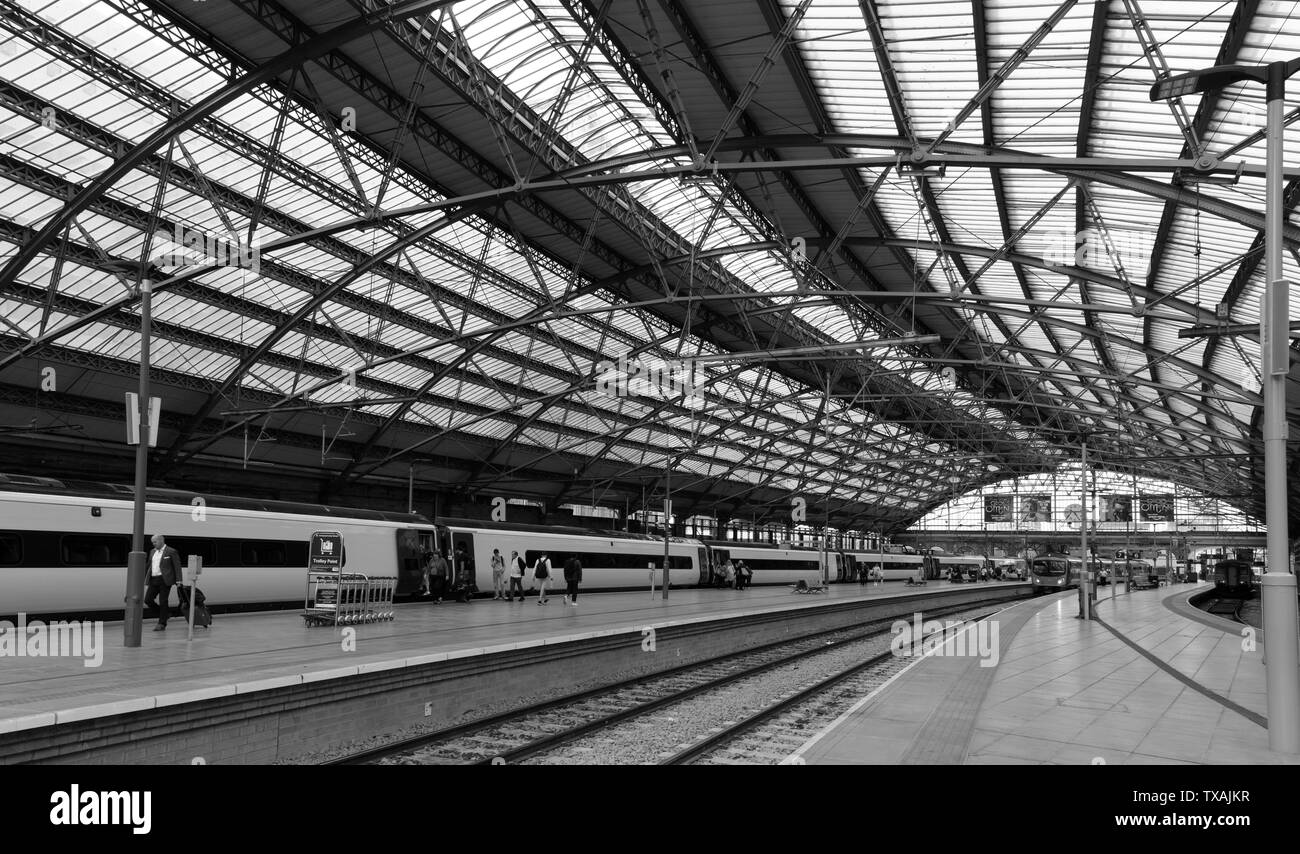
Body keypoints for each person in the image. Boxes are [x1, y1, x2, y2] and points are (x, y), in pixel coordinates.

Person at [143, 534, 182, 631]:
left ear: (161, 540)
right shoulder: (152, 552)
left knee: (163, 601)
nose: (153, 544)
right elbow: (149, 566)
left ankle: (162, 623)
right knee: (148, 600)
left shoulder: (171, 551)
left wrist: (179, 580)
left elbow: (177, 567)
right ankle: (165, 614)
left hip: (165, 580)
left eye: (155, 542)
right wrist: (144, 578)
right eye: (153, 542)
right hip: (153, 579)